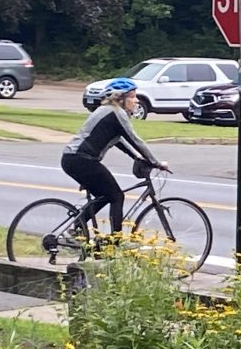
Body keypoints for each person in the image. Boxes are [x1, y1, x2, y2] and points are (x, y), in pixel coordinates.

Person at [61, 78, 168, 234]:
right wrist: (156, 162)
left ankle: (78, 228)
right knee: (117, 196)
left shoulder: (107, 111)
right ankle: (114, 242)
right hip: (82, 160)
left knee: (105, 195)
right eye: (132, 96)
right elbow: (135, 139)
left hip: (73, 159)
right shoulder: (116, 112)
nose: (136, 100)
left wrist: (139, 158)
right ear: (120, 98)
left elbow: (120, 141)